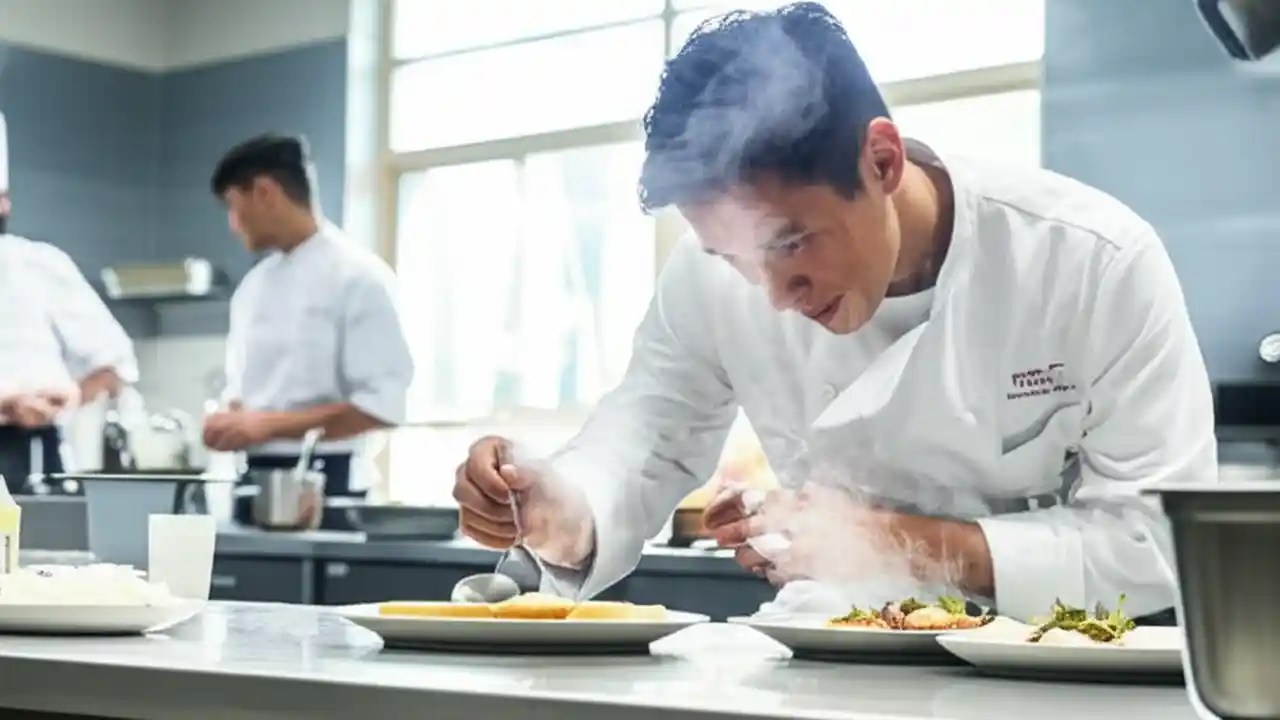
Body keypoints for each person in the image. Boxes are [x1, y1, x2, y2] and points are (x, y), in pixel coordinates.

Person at [451, 3, 1215, 621]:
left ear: (881, 161)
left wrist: (887, 542)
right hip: (824, 653)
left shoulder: (1090, 260)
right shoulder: (713, 278)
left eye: (790, 242)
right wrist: (565, 508)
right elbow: (646, 440)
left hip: (1053, 662)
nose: (775, 295)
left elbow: (1153, 545)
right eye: (735, 259)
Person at [204, 134, 413, 516]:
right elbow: (244, 390)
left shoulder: (358, 278)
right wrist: (230, 419)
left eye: (233, 206)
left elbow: (383, 406)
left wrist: (266, 426)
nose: (233, 224)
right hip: (252, 479)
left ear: (264, 192)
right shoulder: (253, 286)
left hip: (328, 482)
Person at [0, 111, 139, 493]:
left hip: (34, 456)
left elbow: (114, 364)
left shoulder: (40, 264)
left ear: (5, 203)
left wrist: (69, 395)